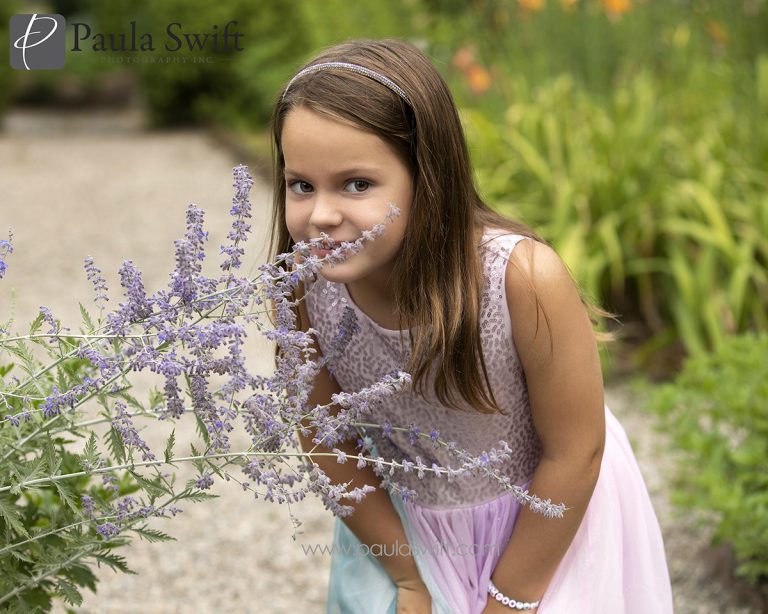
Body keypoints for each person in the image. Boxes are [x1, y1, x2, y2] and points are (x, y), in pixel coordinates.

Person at [267, 38, 673, 614]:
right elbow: (327, 440)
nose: (322, 215)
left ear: (427, 178)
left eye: (357, 184)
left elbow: (575, 453)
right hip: (403, 534)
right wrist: (407, 577)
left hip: (549, 521)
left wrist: (509, 600)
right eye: (301, 184)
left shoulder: (521, 280)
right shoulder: (304, 291)